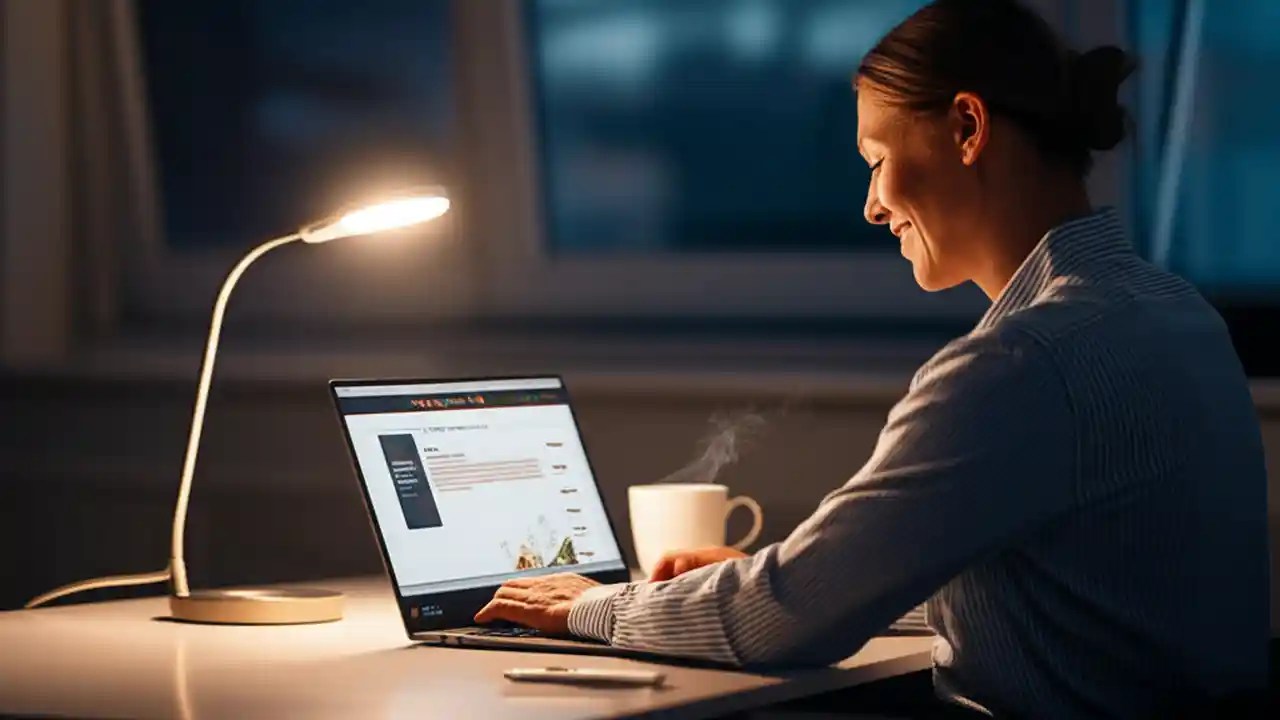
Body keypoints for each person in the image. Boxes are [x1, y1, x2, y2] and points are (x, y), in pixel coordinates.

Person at [475, 1, 1271, 716]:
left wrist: (593, 605)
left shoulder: (1018, 366)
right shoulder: (1176, 316)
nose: (871, 204)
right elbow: (1074, 601)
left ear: (967, 127)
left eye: (876, 160)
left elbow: (781, 622)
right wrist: (823, 579)